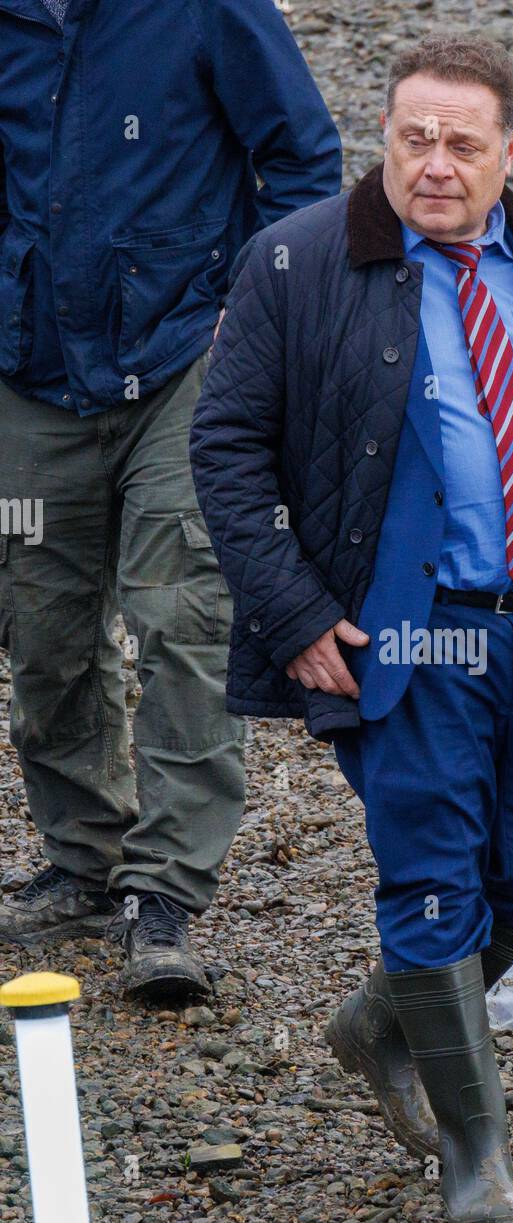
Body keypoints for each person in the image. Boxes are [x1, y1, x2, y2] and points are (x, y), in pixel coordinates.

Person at [191, 33, 513, 1223]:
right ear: (380, 135)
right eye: (411, 138)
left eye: (461, 142)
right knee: (435, 882)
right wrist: (291, 612)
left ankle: (386, 1018)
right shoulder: (297, 262)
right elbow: (225, 450)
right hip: (409, 635)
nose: (433, 165)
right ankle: (477, 1158)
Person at [0, 0, 341, 998]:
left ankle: (168, 895)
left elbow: (303, 157)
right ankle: (82, 860)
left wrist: (256, 317)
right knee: (41, 625)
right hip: (29, 370)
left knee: (184, 612)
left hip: (189, 358)